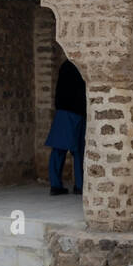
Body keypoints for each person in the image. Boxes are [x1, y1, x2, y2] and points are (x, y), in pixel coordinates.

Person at [45, 60, 87, 196]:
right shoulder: (81, 64)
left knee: (58, 150)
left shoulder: (65, 64)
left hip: (63, 110)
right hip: (77, 112)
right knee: (79, 151)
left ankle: (55, 185)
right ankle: (80, 185)